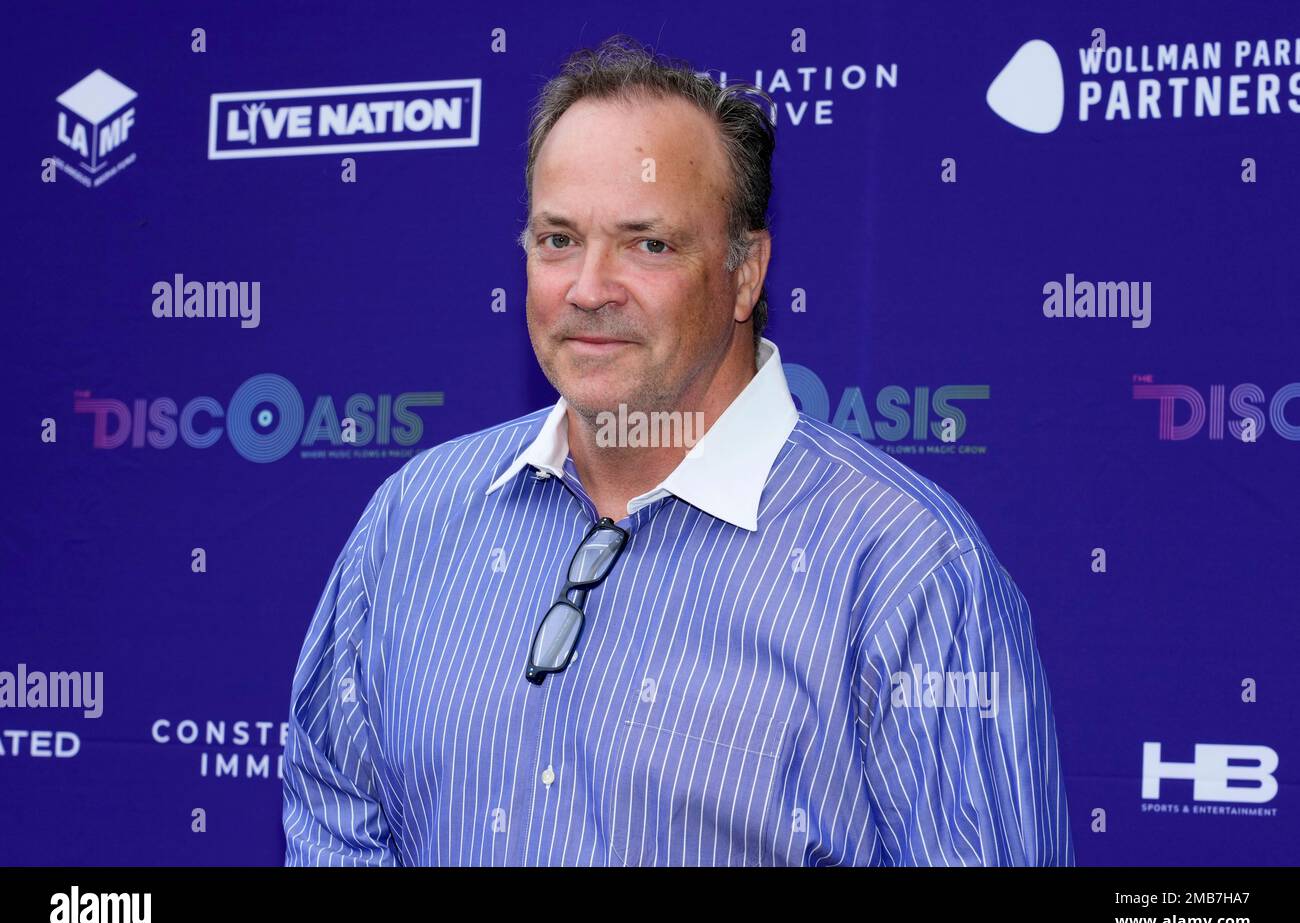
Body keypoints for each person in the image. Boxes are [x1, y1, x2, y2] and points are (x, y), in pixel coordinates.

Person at [282, 34, 1074, 866]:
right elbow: (338, 821)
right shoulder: (415, 518)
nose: (588, 288)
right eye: (557, 240)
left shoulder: (906, 568)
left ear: (745, 273)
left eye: (647, 244)